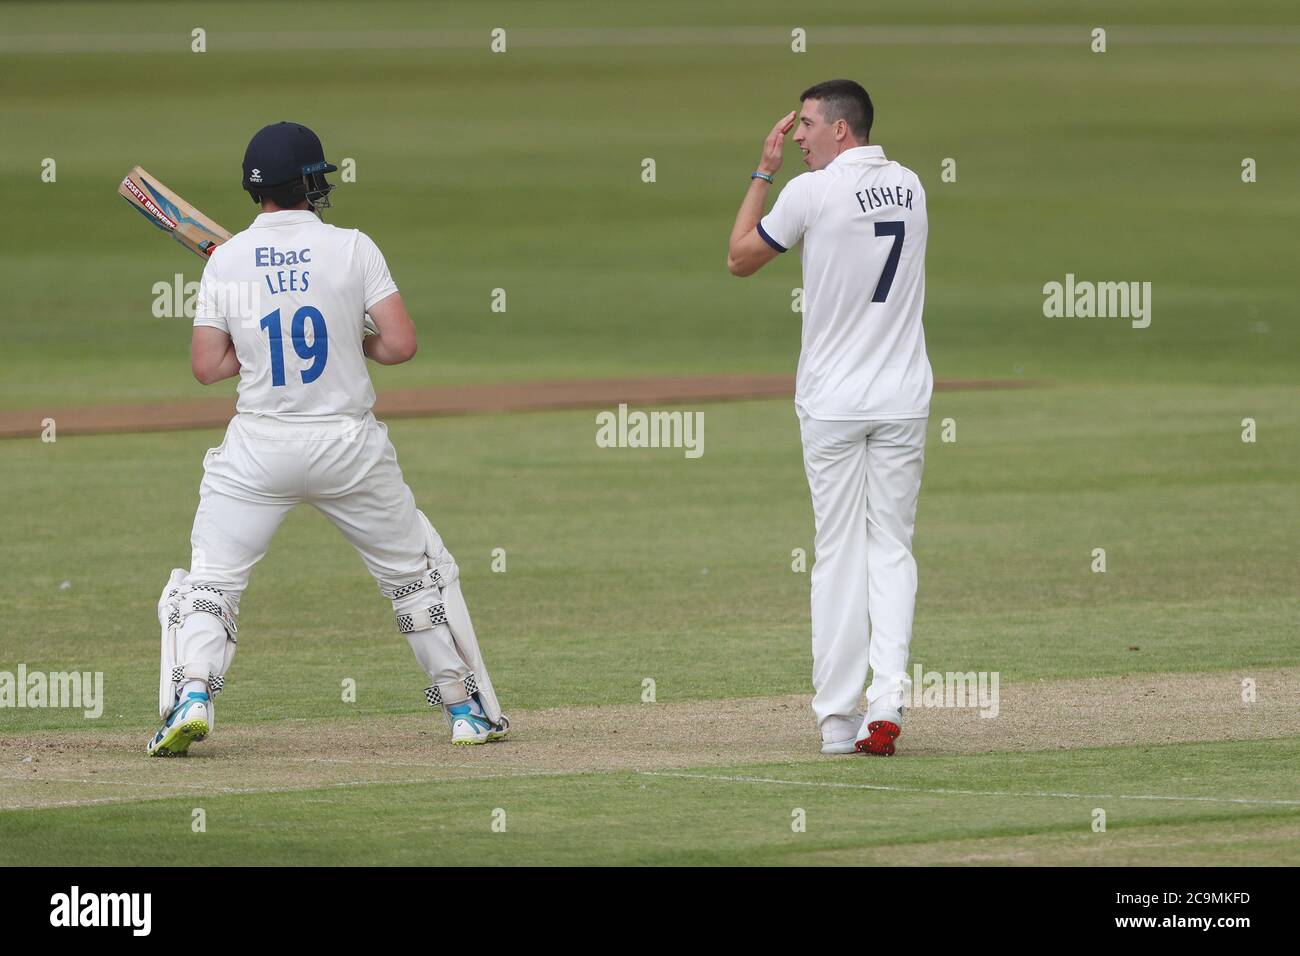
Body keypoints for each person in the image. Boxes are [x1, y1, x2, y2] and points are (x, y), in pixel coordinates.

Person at [148, 122, 508, 756]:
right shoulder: (353, 248)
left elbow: (208, 367)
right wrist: (353, 336)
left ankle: (194, 695)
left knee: (211, 582)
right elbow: (400, 345)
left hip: (259, 449)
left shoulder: (227, 261)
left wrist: (258, 347)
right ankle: (463, 710)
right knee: (414, 577)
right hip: (349, 446)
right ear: (311, 183)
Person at [727, 81, 933, 756]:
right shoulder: (910, 186)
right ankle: (890, 696)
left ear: (842, 130)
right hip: (904, 396)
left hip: (835, 402)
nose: (799, 137)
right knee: (892, 548)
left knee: (839, 553)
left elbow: (740, 259)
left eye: (807, 125)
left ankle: (838, 723)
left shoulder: (811, 192)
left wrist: (763, 171)